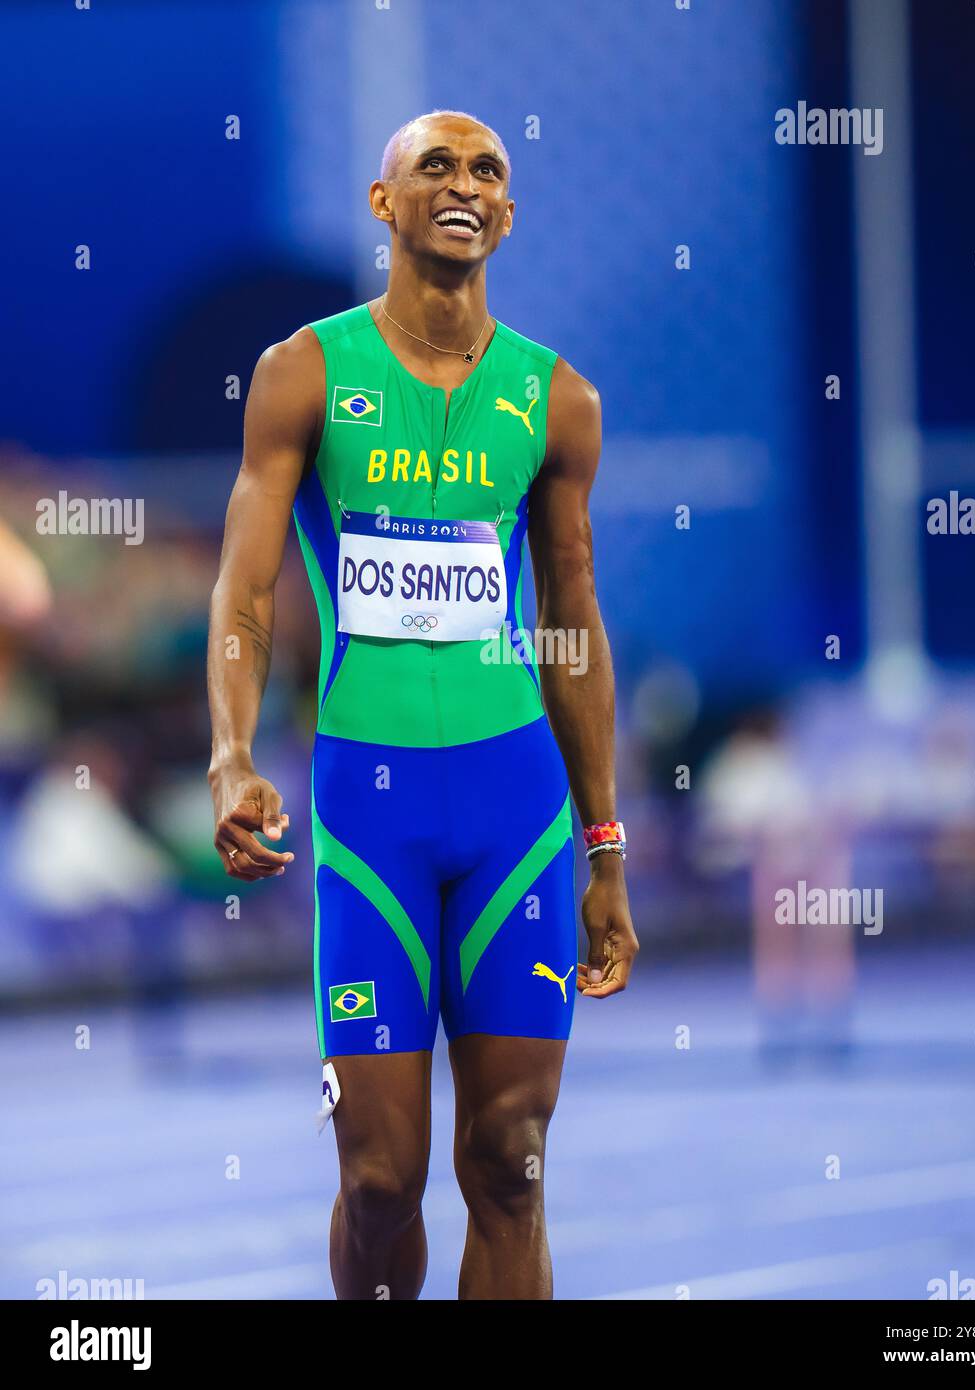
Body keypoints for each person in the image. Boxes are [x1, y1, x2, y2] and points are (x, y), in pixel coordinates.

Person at [207, 110, 638, 1300]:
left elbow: (573, 624)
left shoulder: (558, 400)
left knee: (511, 1162)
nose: (463, 184)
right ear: (382, 204)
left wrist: (605, 848)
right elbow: (246, 587)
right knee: (382, 1179)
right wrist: (232, 751)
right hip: (370, 813)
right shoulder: (305, 370)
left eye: (487, 171)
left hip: (516, 811)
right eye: (433, 167)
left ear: (508, 214)